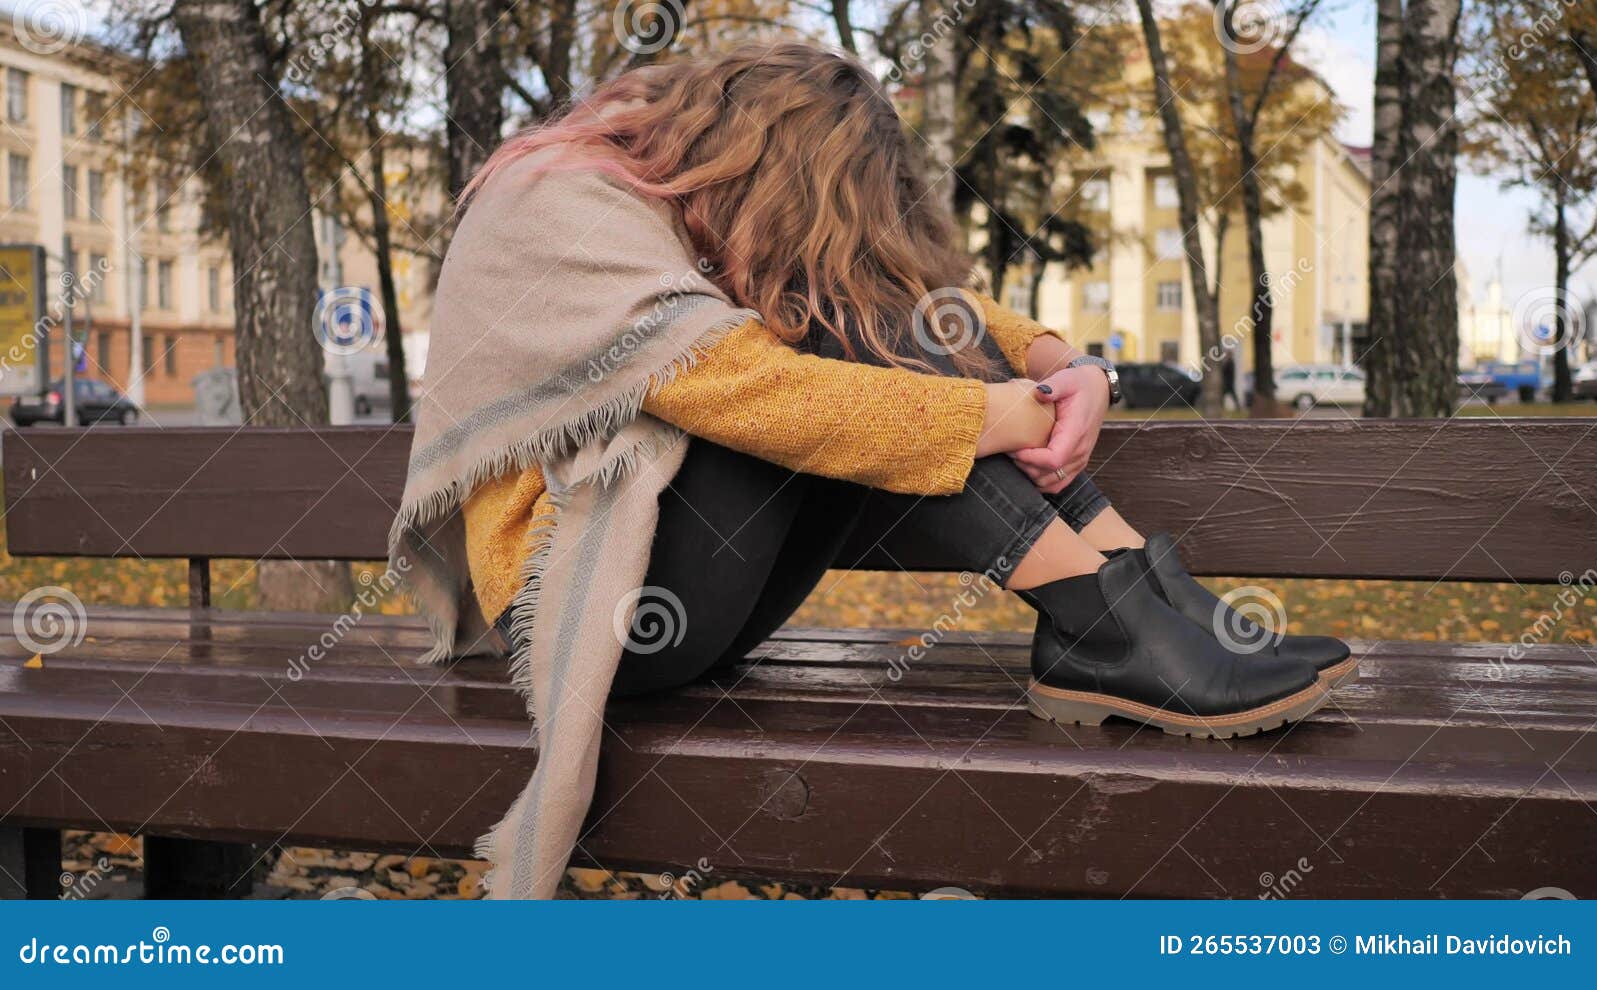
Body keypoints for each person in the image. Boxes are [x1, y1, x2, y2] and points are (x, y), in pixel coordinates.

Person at [390, 43, 1353, 899]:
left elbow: (900, 301)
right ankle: (1106, 619)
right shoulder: (554, 200)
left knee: (858, 315)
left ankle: (1128, 598)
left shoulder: (669, 190)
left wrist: (1060, 363)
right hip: (587, 610)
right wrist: (997, 411)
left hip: (690, 586)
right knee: (832, 354)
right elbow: (743, 389)